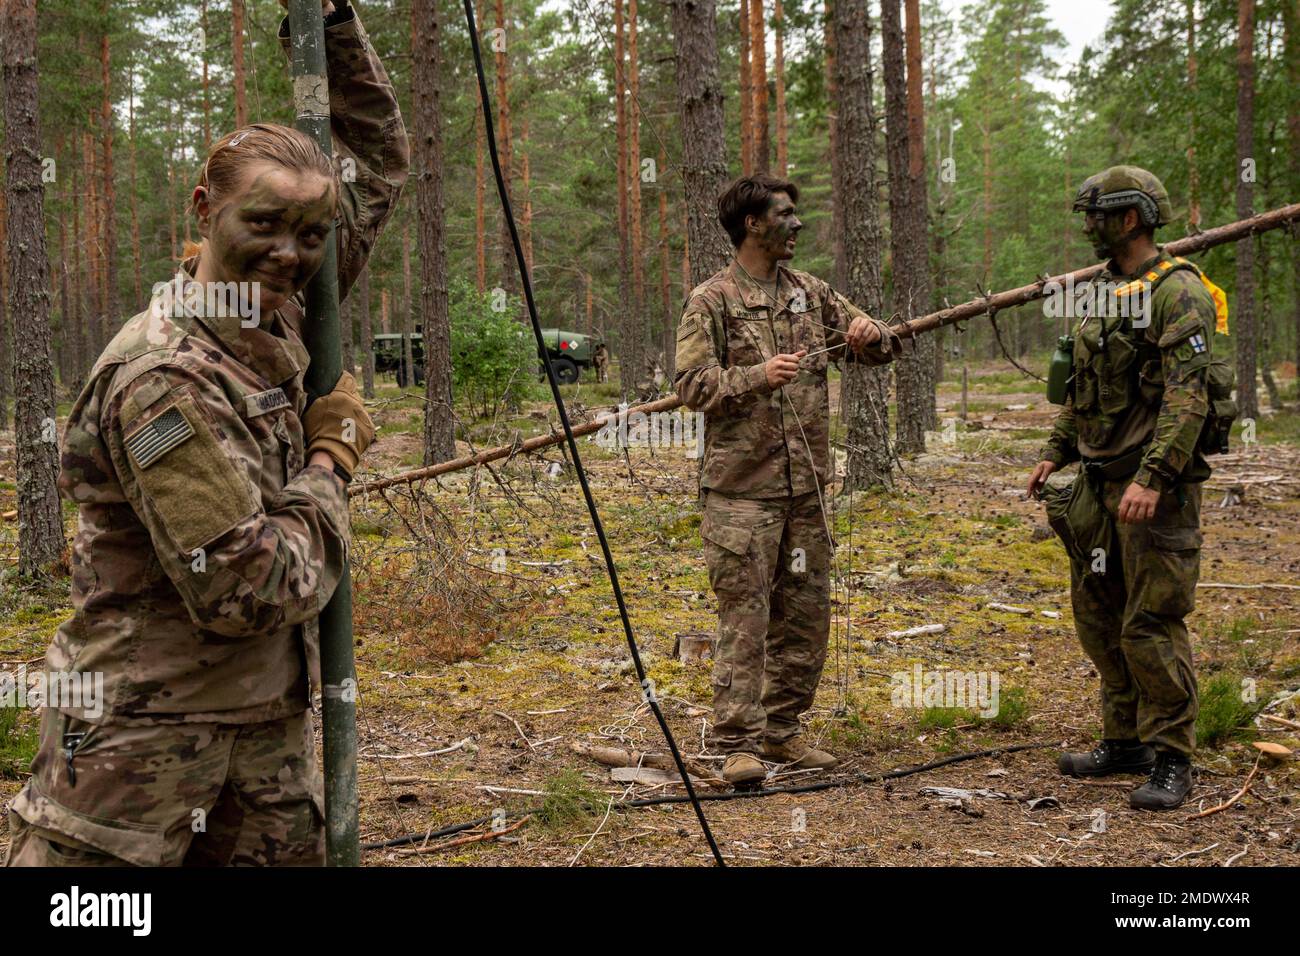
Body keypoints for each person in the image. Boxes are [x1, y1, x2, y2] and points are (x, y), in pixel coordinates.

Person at [4, 0, 407, 865]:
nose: (290, 252)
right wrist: (334, 455)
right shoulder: (163, 378)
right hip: (136, 758)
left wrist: (332, 23)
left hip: (256, 743)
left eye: (309, 233)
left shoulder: (277, 306)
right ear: (203, 211)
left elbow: (376, 161)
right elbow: (246, 586)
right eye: (262, 224)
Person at [674, 174, 901, 786]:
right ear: (753, 224)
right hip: (742, 494)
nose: (797, 224)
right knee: (745, 619)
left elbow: (879, 346)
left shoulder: (811, 293)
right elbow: (691, 387)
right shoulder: (712, 300)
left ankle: (782, 734)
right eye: (786, 213)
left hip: (807, 493)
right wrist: (753, 377)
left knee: (804, 615)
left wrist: (870, 335)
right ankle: (735, 744)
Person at [1028, 166, 1219, 811]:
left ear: (1131, 218)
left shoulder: (1179, 291)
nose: (1087, 226)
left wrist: (1154, 477)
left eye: (1097, 215)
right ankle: (1124, 741)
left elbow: (1188, 398)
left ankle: (1172, 756)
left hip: (1151, 492)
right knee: (1099, 614)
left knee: (1151, 621)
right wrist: (1054, 452)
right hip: (1097, 483)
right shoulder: (1101, 292)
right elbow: (1080, 389)